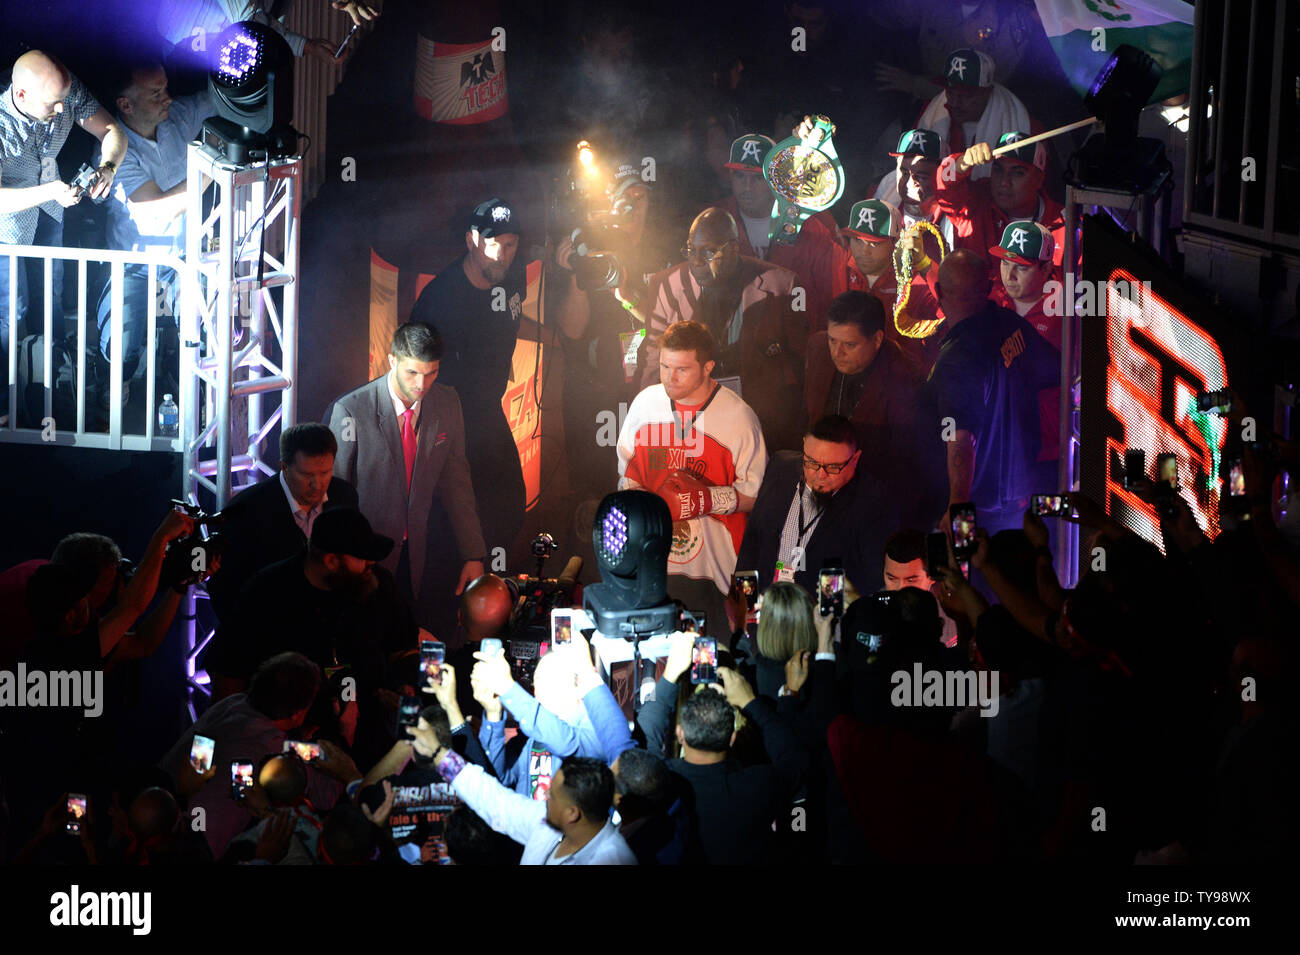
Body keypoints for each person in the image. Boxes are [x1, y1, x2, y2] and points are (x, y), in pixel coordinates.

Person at [327, 321, 486, 628]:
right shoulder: (351, 410)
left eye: (431, 373)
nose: (421, 384)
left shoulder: (447, 403)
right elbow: (336, 497)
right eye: (412, 372)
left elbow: (457, 483)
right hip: (364, 560)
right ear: (392, 361)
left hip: (419, 558)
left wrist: (473, 554)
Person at [617, 320, 767, 639]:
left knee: (714, 658)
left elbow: (758, 495)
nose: (669, 378)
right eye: (664, 366)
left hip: (718, 572)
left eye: (681, 369)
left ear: (708, 367)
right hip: (656, 565)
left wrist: (706, 499)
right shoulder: (645, 405)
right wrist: (646, 502)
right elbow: (625, 479)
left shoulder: (738, 418)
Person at [0, 51, 127, 424]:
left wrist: (108, 168)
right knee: (10, 312)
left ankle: (52, 391)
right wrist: (49, 191)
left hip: (48, 214)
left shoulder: (66, 91)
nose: (61, 109)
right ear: (21, 95)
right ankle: (4, 407)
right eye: (52, 103)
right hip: (6, 226)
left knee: (49, 301)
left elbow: (111, 131)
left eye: (64, 100)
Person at [205, 508, 415, 714]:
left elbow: (404, 647)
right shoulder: (266, 594)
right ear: (331, 561)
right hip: (289, 727)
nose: (372, 563)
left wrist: (405, 686)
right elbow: (228, 676)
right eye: (363, 557)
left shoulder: (377, 584)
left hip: (369, 719)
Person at [629, 208, 805, 451]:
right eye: (691, 250)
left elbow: (800, 365)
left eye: (709, 251)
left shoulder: (783, 284)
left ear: (734, 248)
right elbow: (652, 359)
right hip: (690, 424)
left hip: (761, 424)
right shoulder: (665, 284)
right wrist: (646, 423)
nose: (696, 261)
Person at [407, 198, 526, 557]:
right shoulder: (440, 300)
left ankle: (493, 580)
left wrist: (557, 339)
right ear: (471, 240)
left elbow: (510, 319)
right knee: (456, 518)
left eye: (510, 244)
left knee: (509, 505)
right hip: (449, 419)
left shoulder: (510, 277)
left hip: (487, 410)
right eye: (493, 244)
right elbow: (412, 369)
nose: (502, 255)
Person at [553, 159, 676, 504]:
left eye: (640, 197)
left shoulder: (666, 248)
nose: (632, 206)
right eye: (624, 199)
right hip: (601, 390)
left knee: (653, 484)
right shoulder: (591, 247)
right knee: (600, 485)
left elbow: (675, 323)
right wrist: (578, 273)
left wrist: (627, 297)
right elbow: (572, 330)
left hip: (654, 386)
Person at [95, 60, 212, 410]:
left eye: (166, 89)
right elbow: (160, 209)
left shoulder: (177, 119)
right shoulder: (113, 151)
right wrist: (215, 165)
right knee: (120, 342)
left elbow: (220, 99)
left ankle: (186, 385)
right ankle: (114, 394)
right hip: (133, 265)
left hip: (185, 258)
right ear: (126, 104)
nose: (168, 98)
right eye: (156, 93)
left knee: (203, 328)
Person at [637, 634, 808, 865]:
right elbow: (794, 759)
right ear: (731, 738)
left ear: (680, 733)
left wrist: (669, 676)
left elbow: (646, 730)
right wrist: (751, 702)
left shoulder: (658, 783)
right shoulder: (759, 785)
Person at [158, 652, 346, 859]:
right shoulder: (275, 745)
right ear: (296, 713)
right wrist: (346, 730)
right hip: (199, 846)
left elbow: (201, 759)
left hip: (162, 813)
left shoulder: (231, 703)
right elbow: (327, 795)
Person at [924, 250, 1059, 535]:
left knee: (972, 563)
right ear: (987, 288)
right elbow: (1058, 370)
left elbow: (959, 436)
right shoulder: (1011, 324)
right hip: (1025, 492)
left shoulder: (956, 358)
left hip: (981, 508)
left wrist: (957, 506)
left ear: (938, 292)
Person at [409, 713, 637, 865]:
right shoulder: (547, 824)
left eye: (552, 795)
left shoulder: (614, 859)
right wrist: (438, 754)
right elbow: (493, 799)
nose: (544, 794)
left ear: (572, 814)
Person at [205, 422, 359, 625]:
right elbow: (224, 589)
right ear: (284, 467)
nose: (317, 484)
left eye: (325, 473)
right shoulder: (246, 511)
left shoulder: (345, 496)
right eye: (307, 475)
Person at [802, 295, 940, 518]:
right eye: (832, 340)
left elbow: (906, 464)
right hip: (818, 485)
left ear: (876, 340)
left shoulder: (905, 377)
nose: (837, 353)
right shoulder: (817, 349)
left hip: (874, 498)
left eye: (849, 345)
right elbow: (806, 416)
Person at [707, 132, 852, 332]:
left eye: (758, 177)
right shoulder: (714, 222)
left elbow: (836, 297)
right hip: (735, 343)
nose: (747, 187)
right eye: (739, 175)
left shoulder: (812, 223)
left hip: (799, 341)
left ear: (777, 179)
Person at [736, 415, 892, 600]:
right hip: (767, 601)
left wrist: (822, 614)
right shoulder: (781, 466)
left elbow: (869, 578)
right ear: (804, 445)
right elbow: (753, 542)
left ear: (855, 459)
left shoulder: (873, 502)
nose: (820, 475)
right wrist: (744, 601)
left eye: (833, 467)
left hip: (818, 611)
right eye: (811, 462)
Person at [470, 633, 634, 798]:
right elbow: (497, 779)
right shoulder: (529, 737)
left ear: (579, 686)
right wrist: (493, 714)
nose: (541, 688)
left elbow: (566, 742)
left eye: (552, 679)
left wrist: (506, 687)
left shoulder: (597, 730)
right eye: (538, 680)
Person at [988, 220, 1063, 472]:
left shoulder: (1068, 311)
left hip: (1044, 451)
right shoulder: (991, 298)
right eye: (1005, 263)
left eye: (1021, 267)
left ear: (1046, 268)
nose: (1009, 276)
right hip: (995, 443)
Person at [838, 199, 945, 372]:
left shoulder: (913, 283)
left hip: (897, 379)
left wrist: (925, 265)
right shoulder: (839, 265)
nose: (864, 251)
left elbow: (953, 310)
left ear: (895, 242)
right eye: (857, 240)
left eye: (875, 243)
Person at [935, 134, 1066, 273]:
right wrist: (962, 163)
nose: (1004, 182)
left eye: (1018, 173)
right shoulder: (976, 201)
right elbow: (943, 188)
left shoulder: (1065, 224)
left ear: (1039, 179)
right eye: (998, 170)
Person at [915, 49, 1031, 170]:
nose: (954, 103)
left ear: (987, 92)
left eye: (965, 96)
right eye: (950, 92)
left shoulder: (1021, 124)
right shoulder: (930, 117)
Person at [881, 529, 959, 648]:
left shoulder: (953, 618)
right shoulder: (869, 616)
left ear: (931, 576)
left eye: (911, 580)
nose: (901, 589)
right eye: (892, 579)